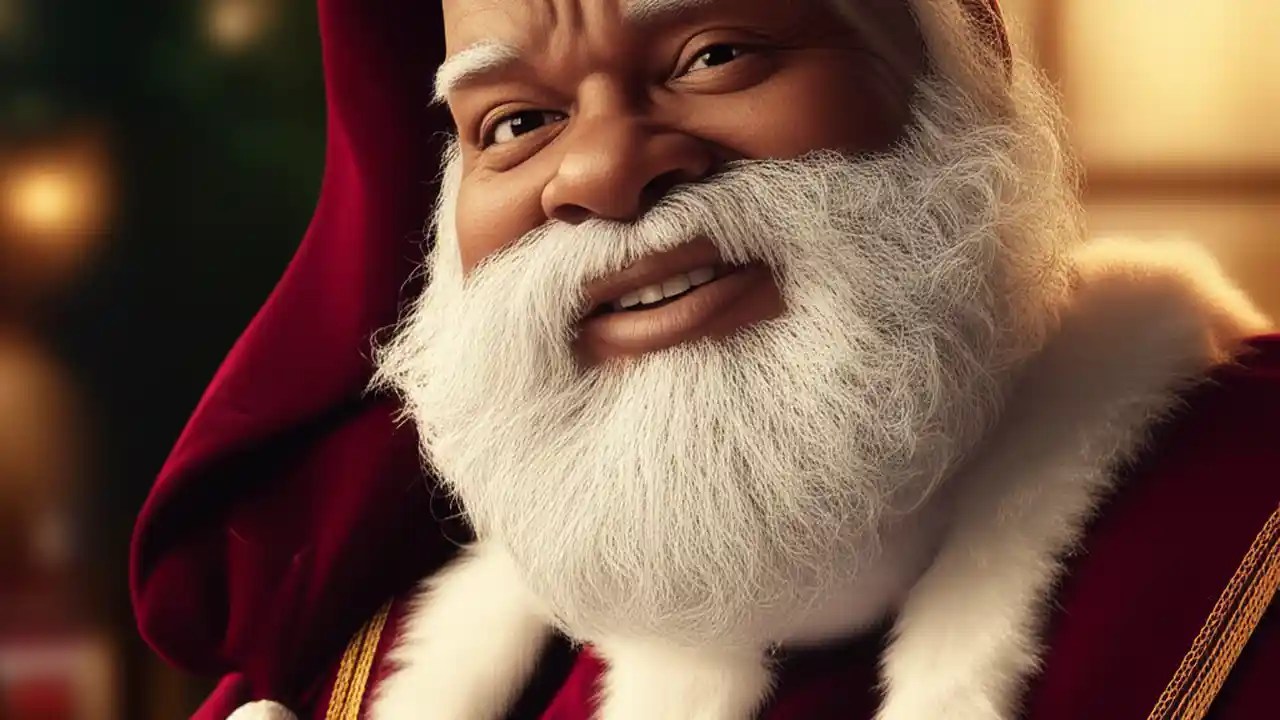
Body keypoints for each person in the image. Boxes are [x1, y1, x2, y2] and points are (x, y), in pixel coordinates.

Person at [131, 0, 1280, 718]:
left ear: (953, 58)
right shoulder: (362, 682)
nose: (602, 173)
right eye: (514, 124)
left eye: (713, 53)